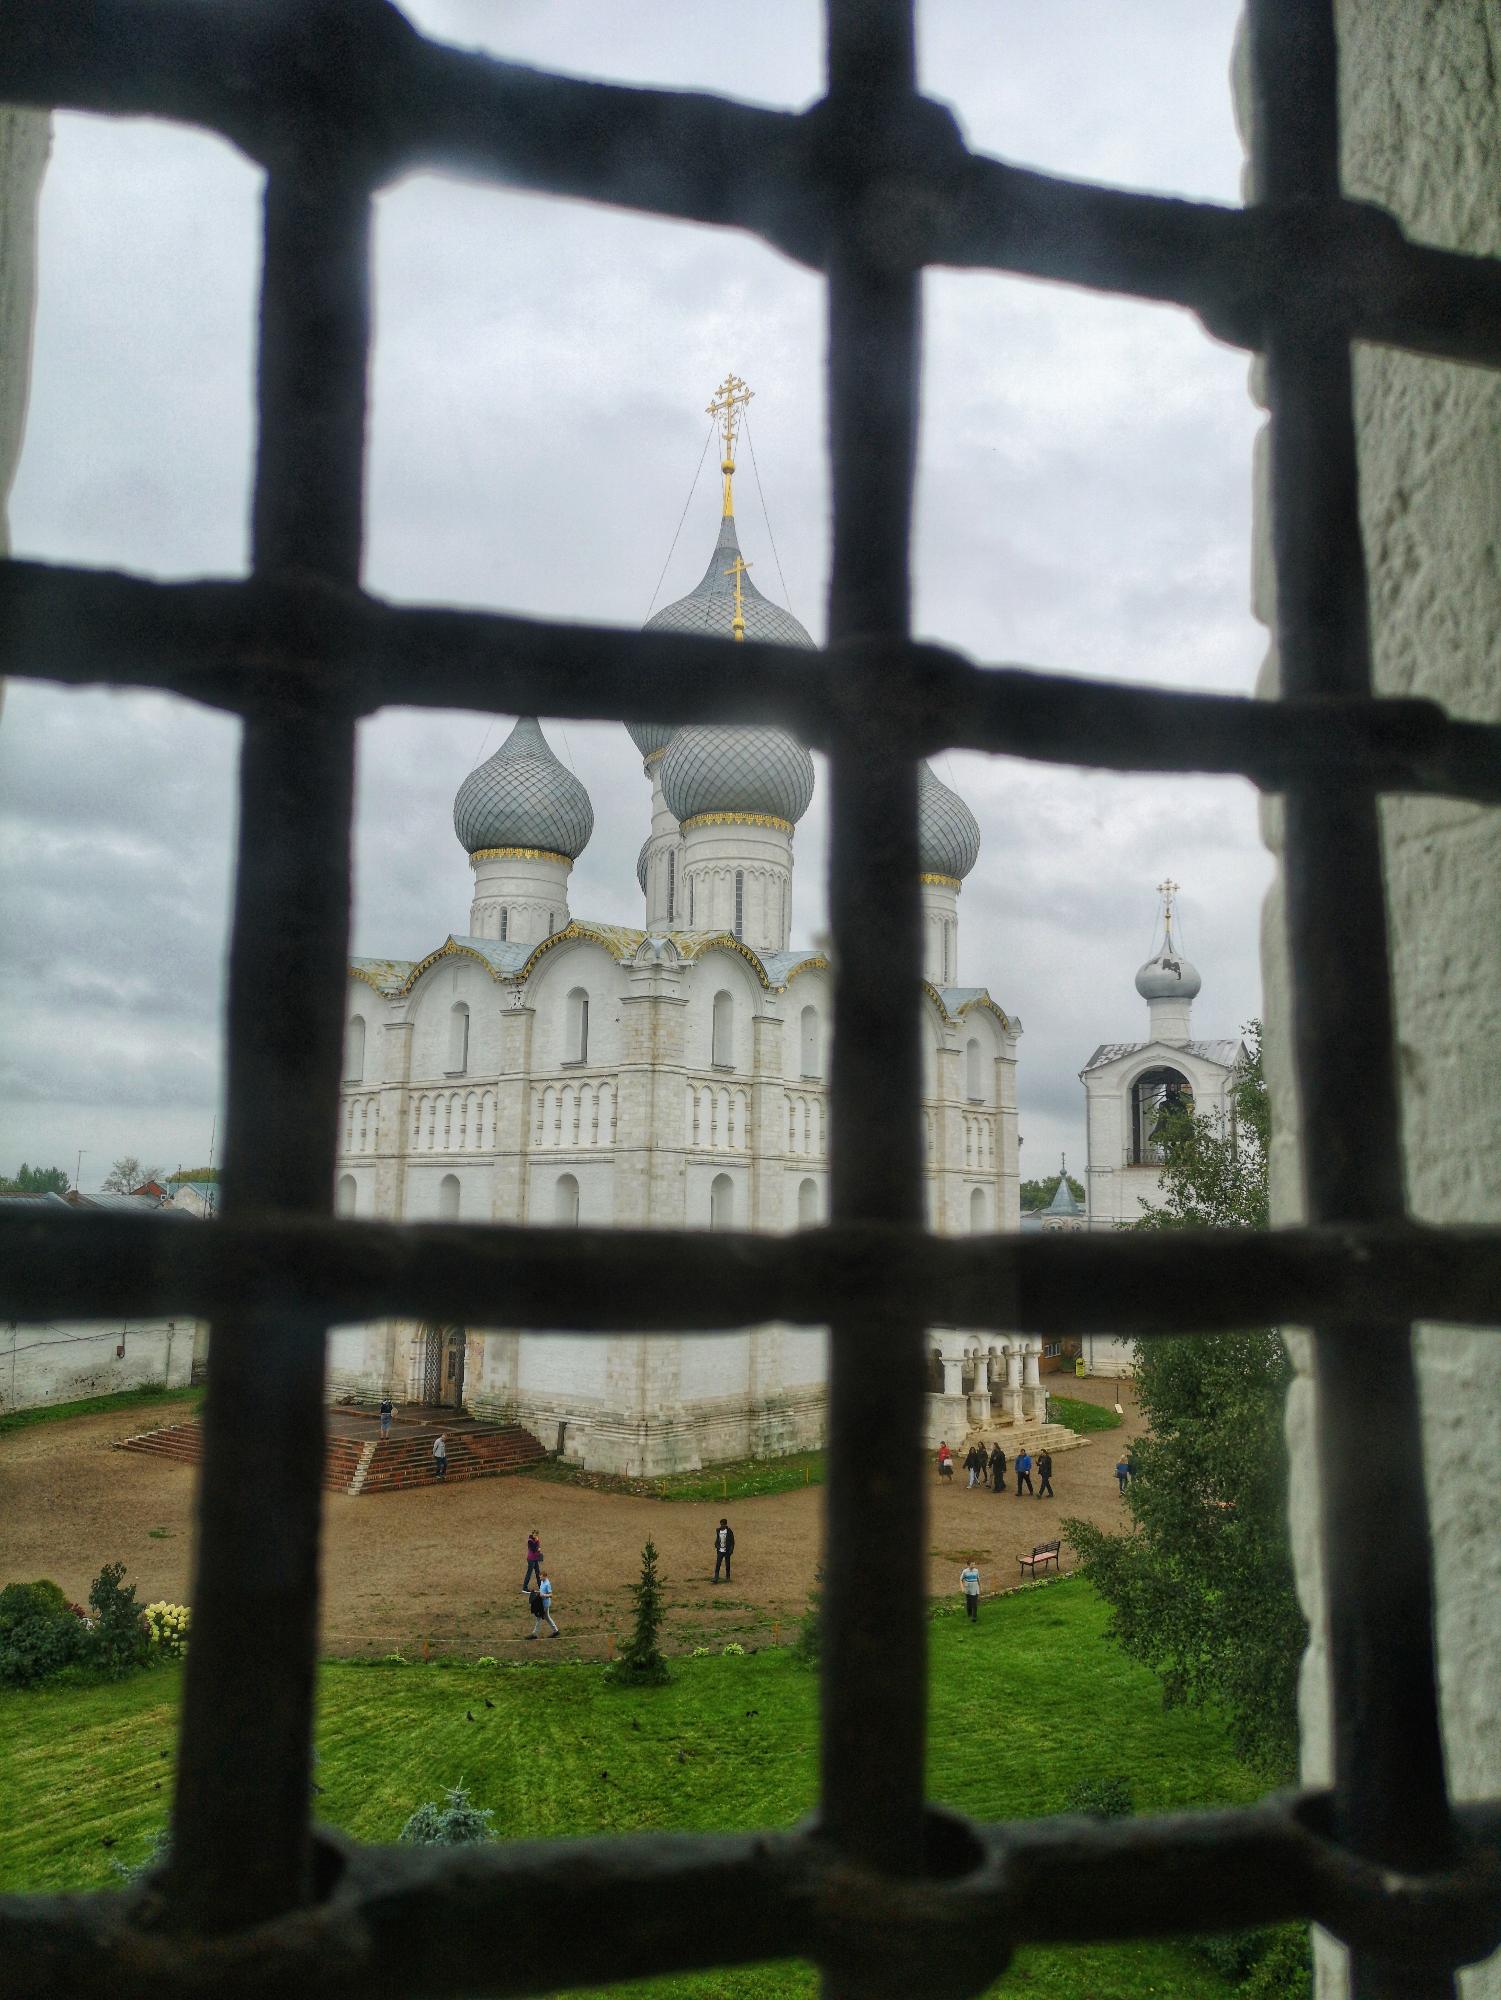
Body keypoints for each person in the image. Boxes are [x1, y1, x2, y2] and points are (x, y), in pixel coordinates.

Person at [536, 1570, 559, 1637]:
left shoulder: (547, 1584)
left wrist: (543, 1595)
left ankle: (535, 1634)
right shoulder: (542, 1582)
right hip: (542, 1603)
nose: (540, 1578)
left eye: (541, 1577)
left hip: (545, 1604)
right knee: (547, 1617)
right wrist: (538, 1592)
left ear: (545, 1576)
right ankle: (555, 1631)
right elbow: (542, 1591)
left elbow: (550, 1595)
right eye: (539, 1577)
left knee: (539, 1617)